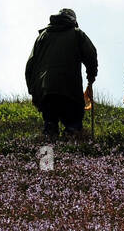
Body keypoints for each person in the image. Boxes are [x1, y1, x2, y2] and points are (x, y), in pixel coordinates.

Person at [25, 7, 97, 139]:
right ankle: (73, 154)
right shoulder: (77, 34)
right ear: (73, 21)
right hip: (69, 89)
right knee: (73, 127)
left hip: (46, 90)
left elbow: (30, 66)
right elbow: (91, 55)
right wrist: (91, 76)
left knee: (50, 127)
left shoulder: (42, 37)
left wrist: (33, 91)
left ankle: (49, 156)